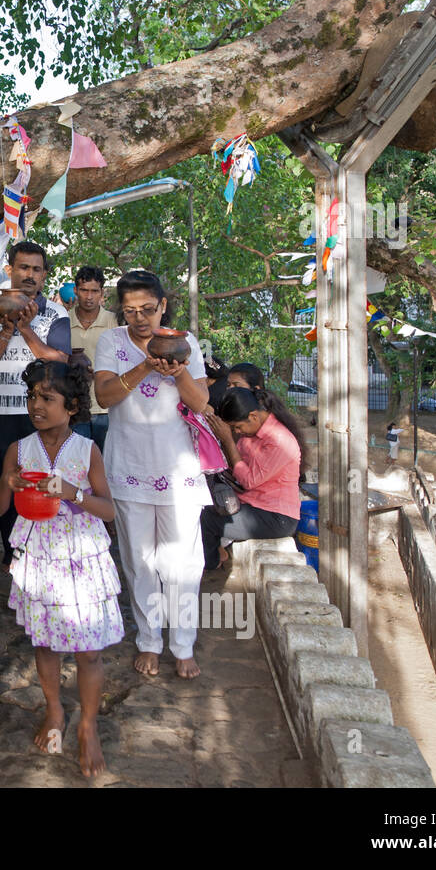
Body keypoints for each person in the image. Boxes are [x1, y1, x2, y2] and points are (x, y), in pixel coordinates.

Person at [0, 360, 122, 777]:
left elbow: (109, 510)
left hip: (81, 557)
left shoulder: (86, 450)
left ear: (72, 406)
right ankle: (54, 713)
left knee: (89, 650)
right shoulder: (19, 449)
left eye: (47, 398)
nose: (36, 406)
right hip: (39, 556)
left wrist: (72, 492)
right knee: (45, 642)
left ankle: (88, 725)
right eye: (32, 397)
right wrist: (6, 484)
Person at [93, 269, 210, 680]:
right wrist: (144, 367)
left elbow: (200, 403)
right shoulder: (111, 341)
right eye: (130, 311)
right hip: (128, 466)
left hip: (178, 467)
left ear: (162, 305)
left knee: (182, 563)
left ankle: (182, 645)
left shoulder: (185, 343)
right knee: (140, 561)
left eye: (147, 309)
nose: (140, 318)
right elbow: (104, 397)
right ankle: (149, 641)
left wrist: (177, 372)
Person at [0, 240, 71, 565]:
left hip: (44, 416)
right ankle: (13, 556)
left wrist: (25, 330)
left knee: (44, 485)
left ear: (44, 275)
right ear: (10, 270)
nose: (29, 275)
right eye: (23, 267)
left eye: (36, 269)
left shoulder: (56, 314)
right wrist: (6, 328)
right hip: (1, 416)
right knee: (8, 486)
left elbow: (61, 361)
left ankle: (44, 555)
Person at [203, 386, 307, 571]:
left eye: (238, 427)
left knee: (207, 521)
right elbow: (234, 465)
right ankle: (217, 552)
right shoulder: (252, 432)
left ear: (253, 416)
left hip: (276, 517)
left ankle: (212, 564)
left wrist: (228, 441)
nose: (238, 431)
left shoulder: (279, 440)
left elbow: (248, 480)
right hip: (252, 504)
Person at [68, 266, 118, 452]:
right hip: (75, 408)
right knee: (78, 465)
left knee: (106, 466)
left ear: (102, 293)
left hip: (107, 408)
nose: (89, 297)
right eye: (84, 290)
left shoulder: (114, 323)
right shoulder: (63, 321)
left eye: (94, 291)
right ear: (75, 290)